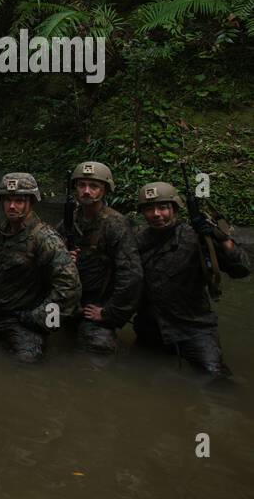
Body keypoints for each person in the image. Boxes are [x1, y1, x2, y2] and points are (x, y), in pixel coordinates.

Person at [134, 181, 249, 377]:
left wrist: (221, 238)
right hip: (151, 327)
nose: (156, 214)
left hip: (193, 328)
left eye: (163, 207)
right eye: (149, 209)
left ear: (175, 209)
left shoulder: (196, 237)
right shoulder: (137, 240)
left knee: (216, 379)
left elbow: (241, 269)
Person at [0, 172, 80, 363]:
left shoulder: (45, 238)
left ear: (31, 202)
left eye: (19, 200)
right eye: (7, 200)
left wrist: (39, 319)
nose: (11, 206)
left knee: (25, 370)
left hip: (25, 325)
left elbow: (70, 288)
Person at [62, 161, 142, 354]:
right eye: (82, 185)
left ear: (104, 190)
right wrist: (64, 259)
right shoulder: (68, 221)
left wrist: (109, 313)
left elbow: (132, 276)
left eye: (94, 186)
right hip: (70, 303)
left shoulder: (116, 225)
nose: (87, 191)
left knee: (97, 351)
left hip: (98, 306)